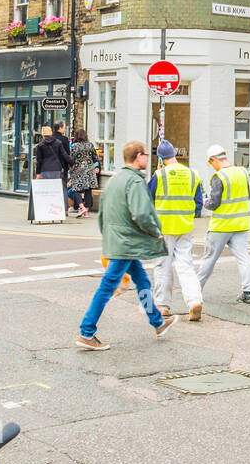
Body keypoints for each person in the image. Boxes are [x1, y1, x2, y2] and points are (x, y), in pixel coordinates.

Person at [76, 141, 176, 350]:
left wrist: (108, 238)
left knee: (141, 281)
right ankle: (86, 332)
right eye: (146, 155)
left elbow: (102, 214)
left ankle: (157, 322)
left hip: (118, 241)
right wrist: (155, 231)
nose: (148, 158)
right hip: (126, 243)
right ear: (138, 156)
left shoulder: (114, 180)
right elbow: (141, 213)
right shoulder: (135, 181)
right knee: (107, 287)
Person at [147, 140, 205, 321]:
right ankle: (194, 301)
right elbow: (199, 203)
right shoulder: (192, 174)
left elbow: (148, 200)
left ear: (161, 159)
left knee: (163, 265)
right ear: (174, 156)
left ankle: (162, 306)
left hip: (163, 228)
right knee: (185, 265)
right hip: (185, 227)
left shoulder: (159, 175)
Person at [197, 144, 250, 304]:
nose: (212, 166)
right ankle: (248, 292)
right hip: (241, 224)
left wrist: (204, 202)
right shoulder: (242, 172)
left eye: (211, 163)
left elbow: (214, 203)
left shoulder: (219, 177)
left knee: (209, 259)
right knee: (244, 258)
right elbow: (247, 195)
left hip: (221, 226)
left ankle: (195, 293)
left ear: (214, 160)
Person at [67, 129, 100, 218]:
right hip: (89, 170)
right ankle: (86, 212)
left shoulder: (74, 146)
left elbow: (71, 159)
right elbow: (95, 157)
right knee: (88, 190)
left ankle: (81, 207)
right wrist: (94, 166)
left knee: (75, 189)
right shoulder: (90, 145)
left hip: (78, 170)